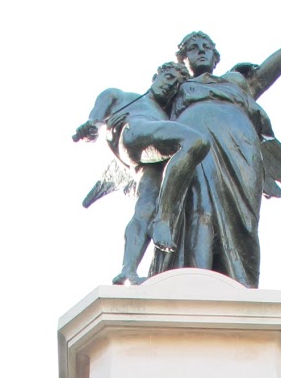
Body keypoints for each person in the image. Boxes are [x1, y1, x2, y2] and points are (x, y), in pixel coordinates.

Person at [157, 0, 281, 287]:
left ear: (216, 56)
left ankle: (240, 298)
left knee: (243, 225)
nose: (200, 51)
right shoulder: (175, 88)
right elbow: (138, 117)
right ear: (182, 59)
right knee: (199, 214)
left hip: (241, 153)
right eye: (192, 48)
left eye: (206, 47)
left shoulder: (241, 82)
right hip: (195, 151)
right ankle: (194, 290)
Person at [74, 63, 210, 284]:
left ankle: (128, 270)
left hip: (148, 160)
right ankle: (163, 219)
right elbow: (94, 123)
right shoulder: (119, 95)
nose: (170, 84)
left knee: (146, 206)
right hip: (134, 133)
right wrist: (92, 128)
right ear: (155, 76)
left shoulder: (166, 115)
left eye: (175, 84)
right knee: (197, 141)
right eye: (168, 77)